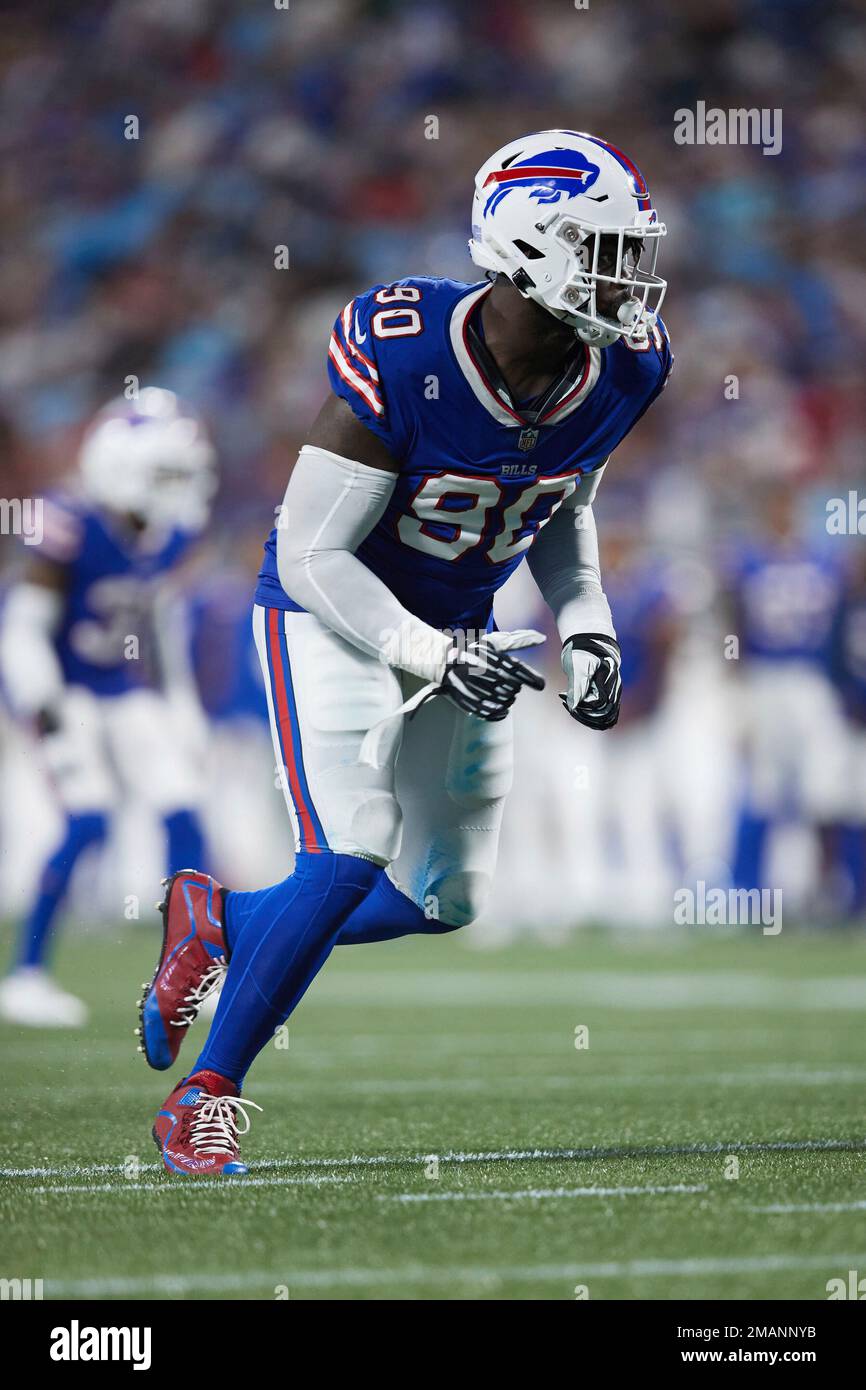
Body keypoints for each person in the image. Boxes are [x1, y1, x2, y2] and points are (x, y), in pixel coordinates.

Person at [139, 131, 673, 1176]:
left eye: (629, 250)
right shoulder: (407, 346)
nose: (627, 277)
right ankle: (205, 1093)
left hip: (457, 629)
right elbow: (309, 549)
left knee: (444, 899)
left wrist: (588, 620)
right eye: (601, 248)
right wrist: (425, 653)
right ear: (522, 247)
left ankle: (218, 916)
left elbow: (562, 505)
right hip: (325, 611)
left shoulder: (625, 365)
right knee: (353, 846)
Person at [0, 388, 216, 1027]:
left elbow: (160, 626)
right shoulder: (69, 521)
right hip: (67, 689)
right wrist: (41, 702)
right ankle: (26, 975)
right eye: (166, 473)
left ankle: (191, 966)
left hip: (123, 689)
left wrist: (182, 707)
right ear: (118, 465)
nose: (178, 488)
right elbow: (23, 625)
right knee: (87, 823)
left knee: (183, 810)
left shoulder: (171, 533)